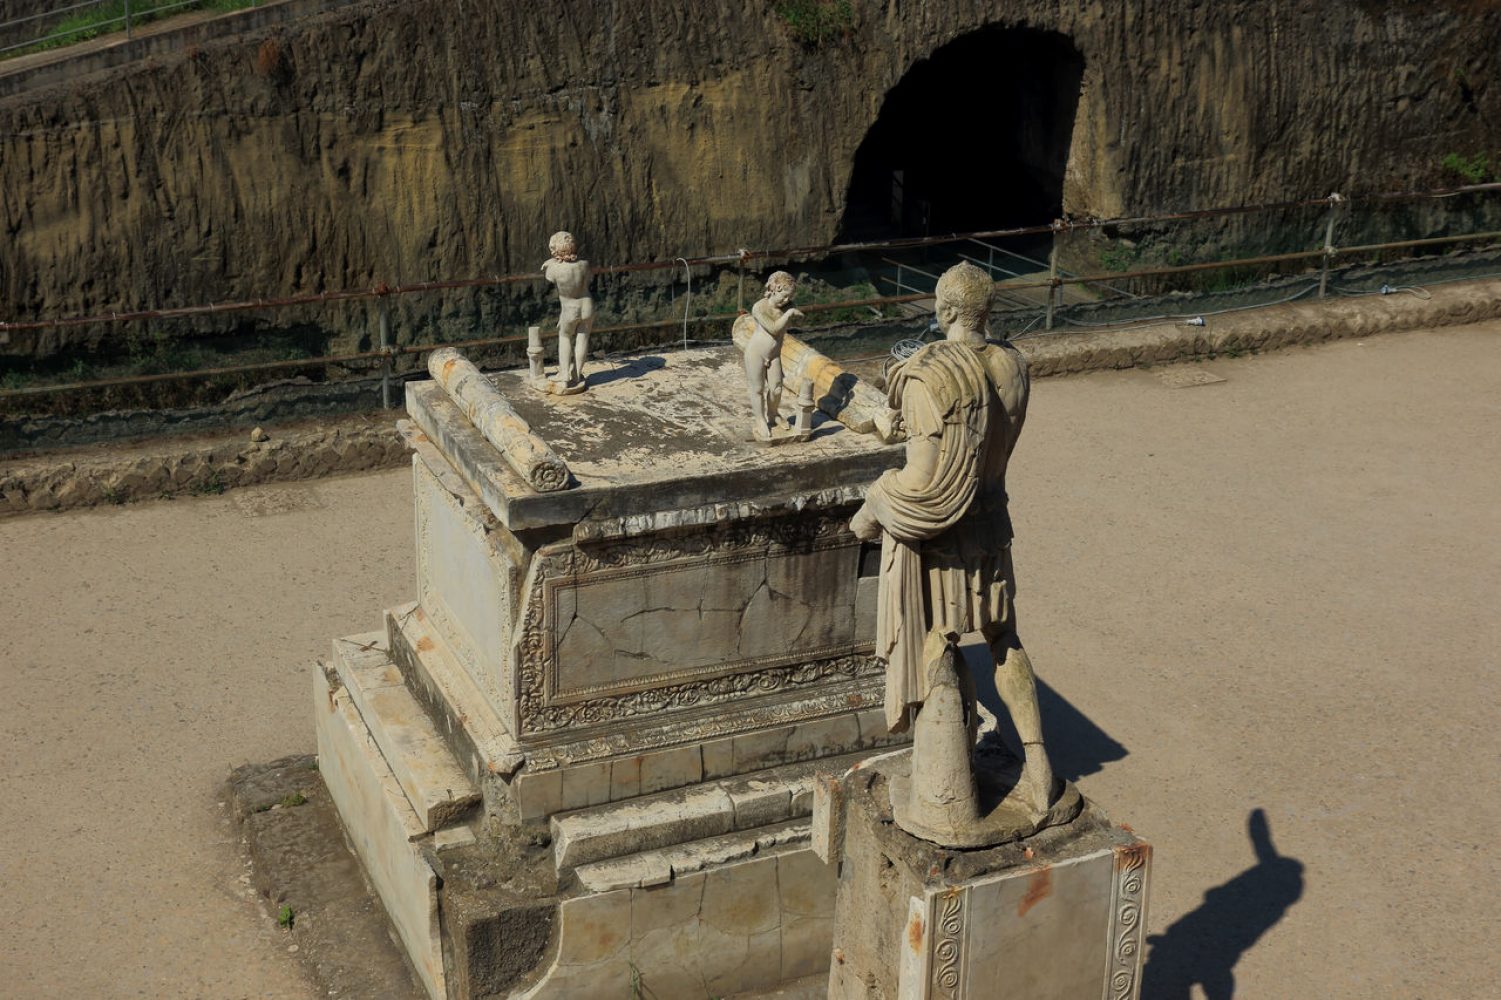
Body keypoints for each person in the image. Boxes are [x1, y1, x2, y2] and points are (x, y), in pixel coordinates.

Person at [850, 261, 1054, 820]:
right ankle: (1040, 768)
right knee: (1003, 638)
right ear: (988, 310)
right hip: (994, 521)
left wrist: (872, 504)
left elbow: (923, 482)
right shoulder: (1015, 364)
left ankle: (950, 788)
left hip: (946, 534)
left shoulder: (930, 374)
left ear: (943, 312)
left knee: (938, 641)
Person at [741, 272, 803, 440]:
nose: (786, 301)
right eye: (784, 296)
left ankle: (773, 413)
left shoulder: (787, 306)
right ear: (775, 289)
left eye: (789, 298)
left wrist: (790, 311)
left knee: (776, 388)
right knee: (758, 389)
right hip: (756, 353)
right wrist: (789, 314)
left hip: (774, 354)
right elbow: (775, 329)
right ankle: (760, 419)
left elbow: (793, 320)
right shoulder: (759, 307)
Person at [541, 231, 594, 387]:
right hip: (588, 305)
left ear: (555, 250)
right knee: (582, 339)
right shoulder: (584, 265)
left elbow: (549, 278)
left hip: (570, 309)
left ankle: (564, 375)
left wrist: (550, 262)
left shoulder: (553, 270)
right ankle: (576, 376)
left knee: (564, 337)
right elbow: (589, 278)